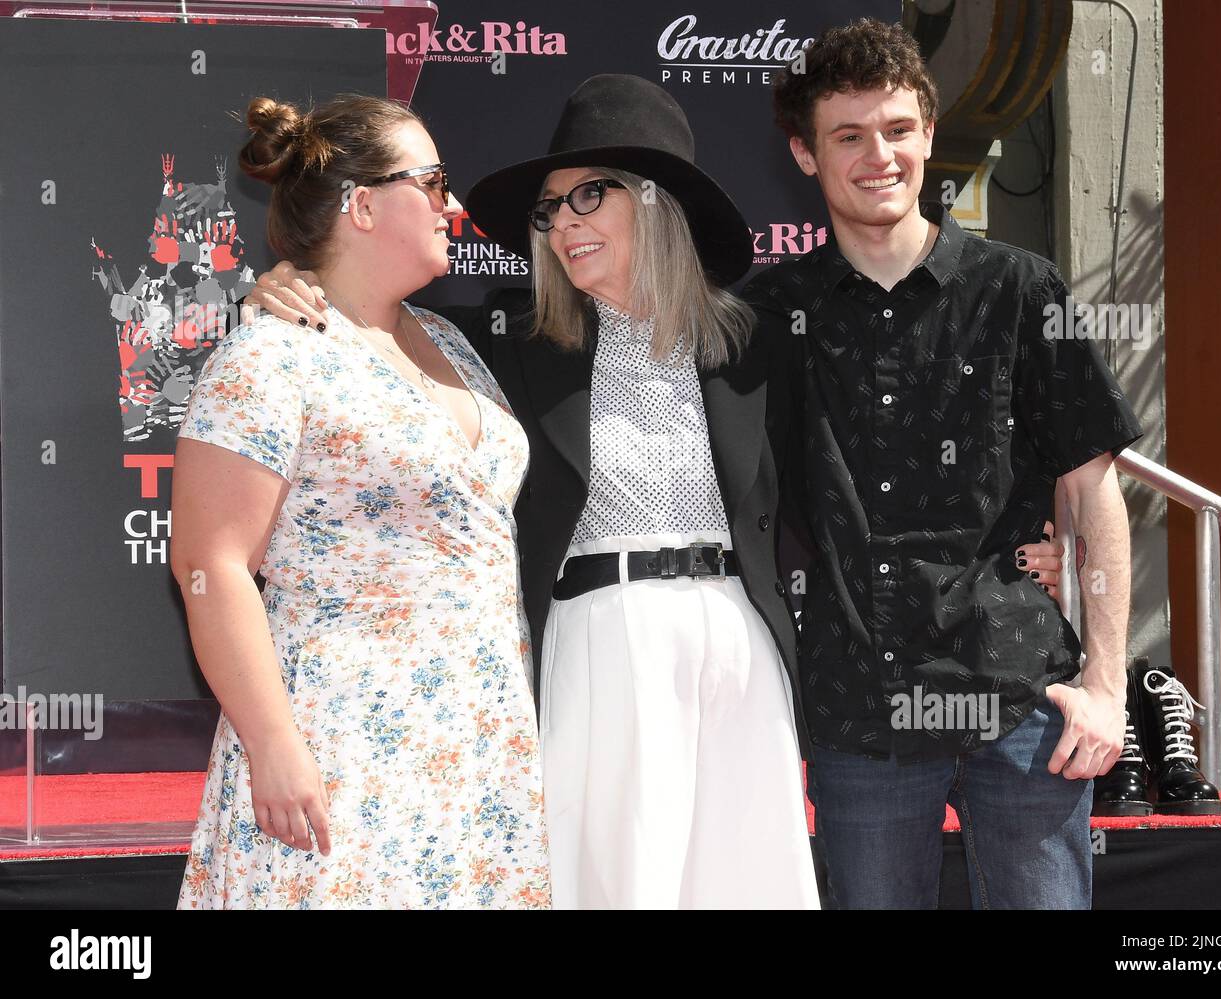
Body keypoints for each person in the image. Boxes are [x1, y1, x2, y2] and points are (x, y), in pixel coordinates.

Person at [246, 75, 1066, 909]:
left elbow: (885, 449)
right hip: (599, 642)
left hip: (740, 645)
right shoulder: (508, 340)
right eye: (548, 211)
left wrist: (1024, 542)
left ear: (657, 201)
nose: (562, 223)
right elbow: (368, 321)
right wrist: (282, 281)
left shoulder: (754, 340)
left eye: (586, 198)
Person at [746, 18, 1144, 909]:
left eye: (895, 128)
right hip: (861, 711)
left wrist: (1107, 686)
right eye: (847, 135)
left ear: (927, 132)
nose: (876, 154)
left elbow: (1093, 484)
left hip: (1020, 701)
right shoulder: (772, 313)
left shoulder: (1021, 287)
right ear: (806, 155)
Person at [171, 93, 549, 909]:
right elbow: (210, 561)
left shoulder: (448, 341)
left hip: (480, 752)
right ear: (363, 204)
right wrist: (272, 743)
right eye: (435, 182)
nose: (455, 204)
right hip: (342, 752)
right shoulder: (271, 354)